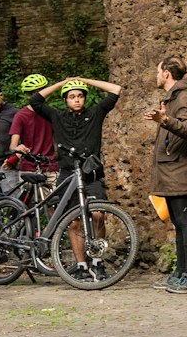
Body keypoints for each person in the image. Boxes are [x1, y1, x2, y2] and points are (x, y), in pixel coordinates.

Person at [26, 74, 123, 275]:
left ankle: (97, 260)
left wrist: (86, 81)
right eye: (71, 96)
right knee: (75, 221)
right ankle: (81, 266)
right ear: (65, 100)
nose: (77, 99)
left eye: (80, 95)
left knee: (98, 214)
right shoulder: (58, 117)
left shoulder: (95, 113)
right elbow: (35, 100)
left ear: (85, 98)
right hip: (68, 173)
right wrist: (63, 83)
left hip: (91, 173)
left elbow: (116, 90)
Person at [146, 57, 187, 294]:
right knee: (178, 223)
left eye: (158, 70)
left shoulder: (185, 97)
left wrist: (165, 120)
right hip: (172, 170)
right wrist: (164, 119)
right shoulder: (173, 98)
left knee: (185, 221)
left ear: (167, 74)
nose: (156, 75)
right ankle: (180, 272)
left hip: (181, 170)